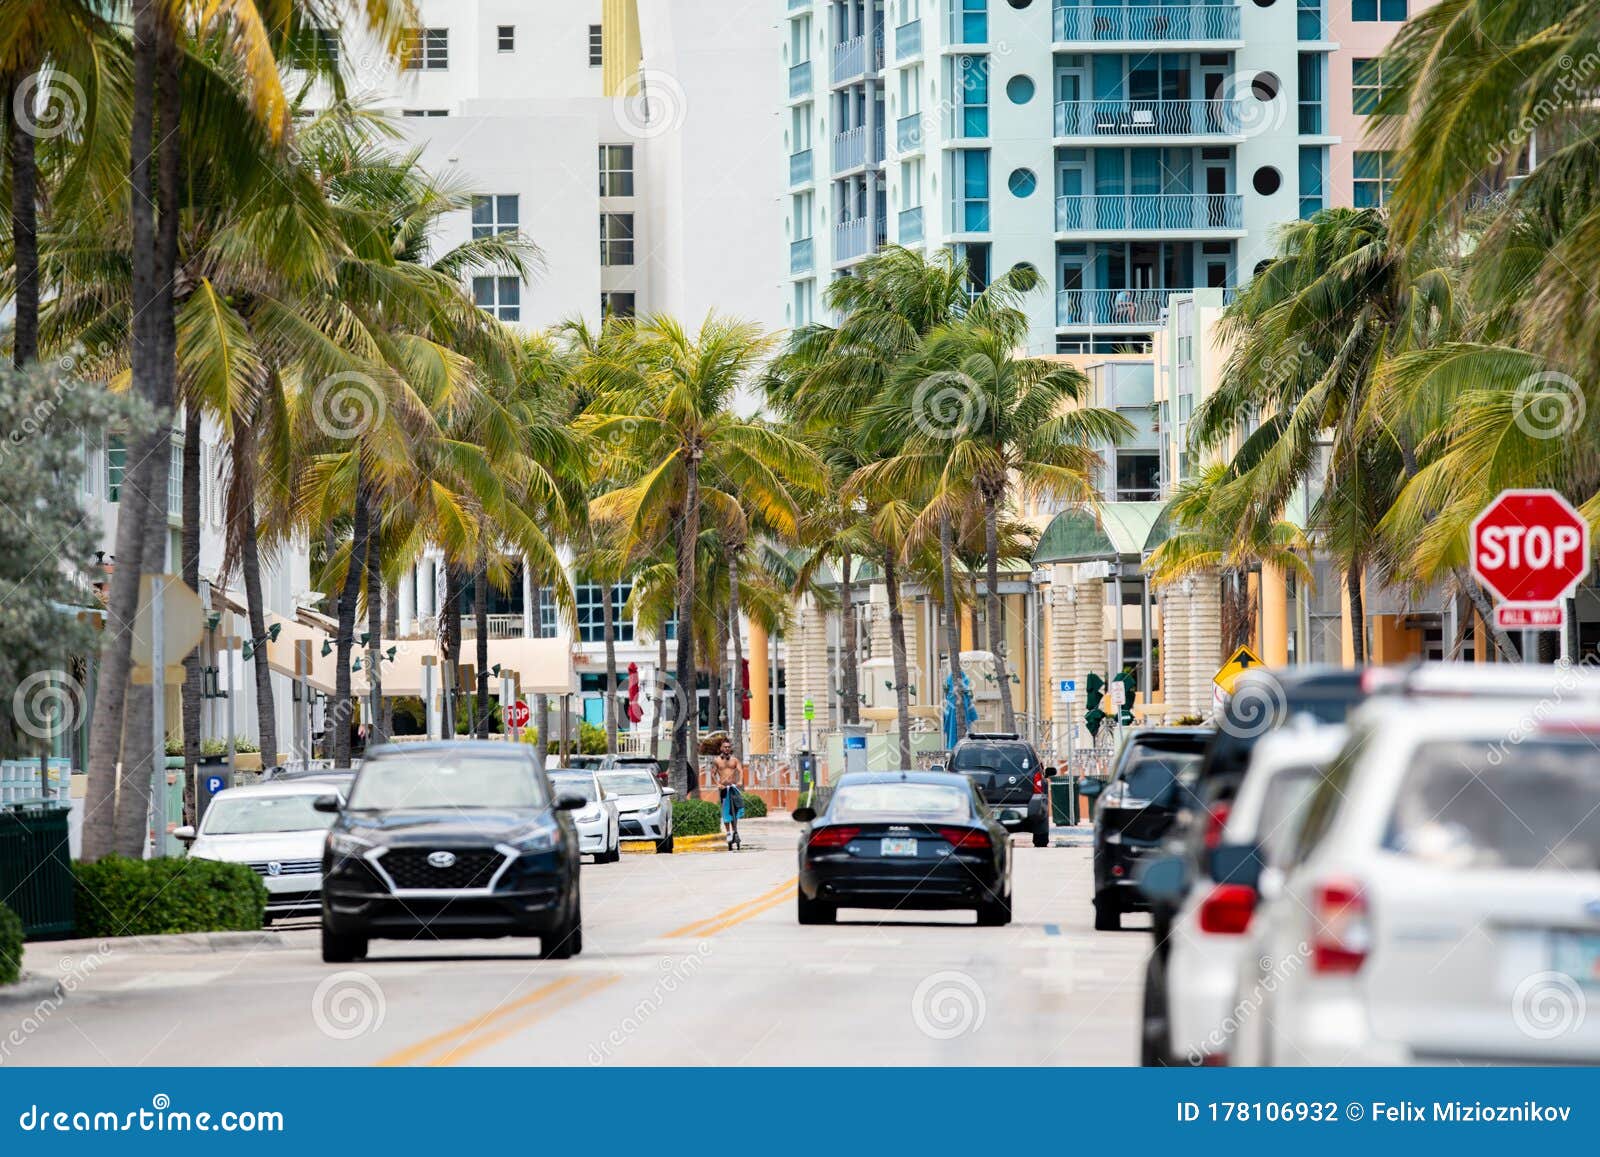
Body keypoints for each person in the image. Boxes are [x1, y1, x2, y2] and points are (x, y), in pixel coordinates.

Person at [712, 738, 745, 850]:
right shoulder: (717, 761)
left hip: (733, 788)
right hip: (724, 789)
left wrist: (740, 781)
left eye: (728, 747)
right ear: (721, 748)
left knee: (735, 810)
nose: (726, 748)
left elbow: (740, 771)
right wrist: (717, 784)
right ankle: (728, 833)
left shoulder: (735, 760)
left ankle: (735, 830)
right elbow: (713, 774)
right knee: (726, 812)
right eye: (725, 747)